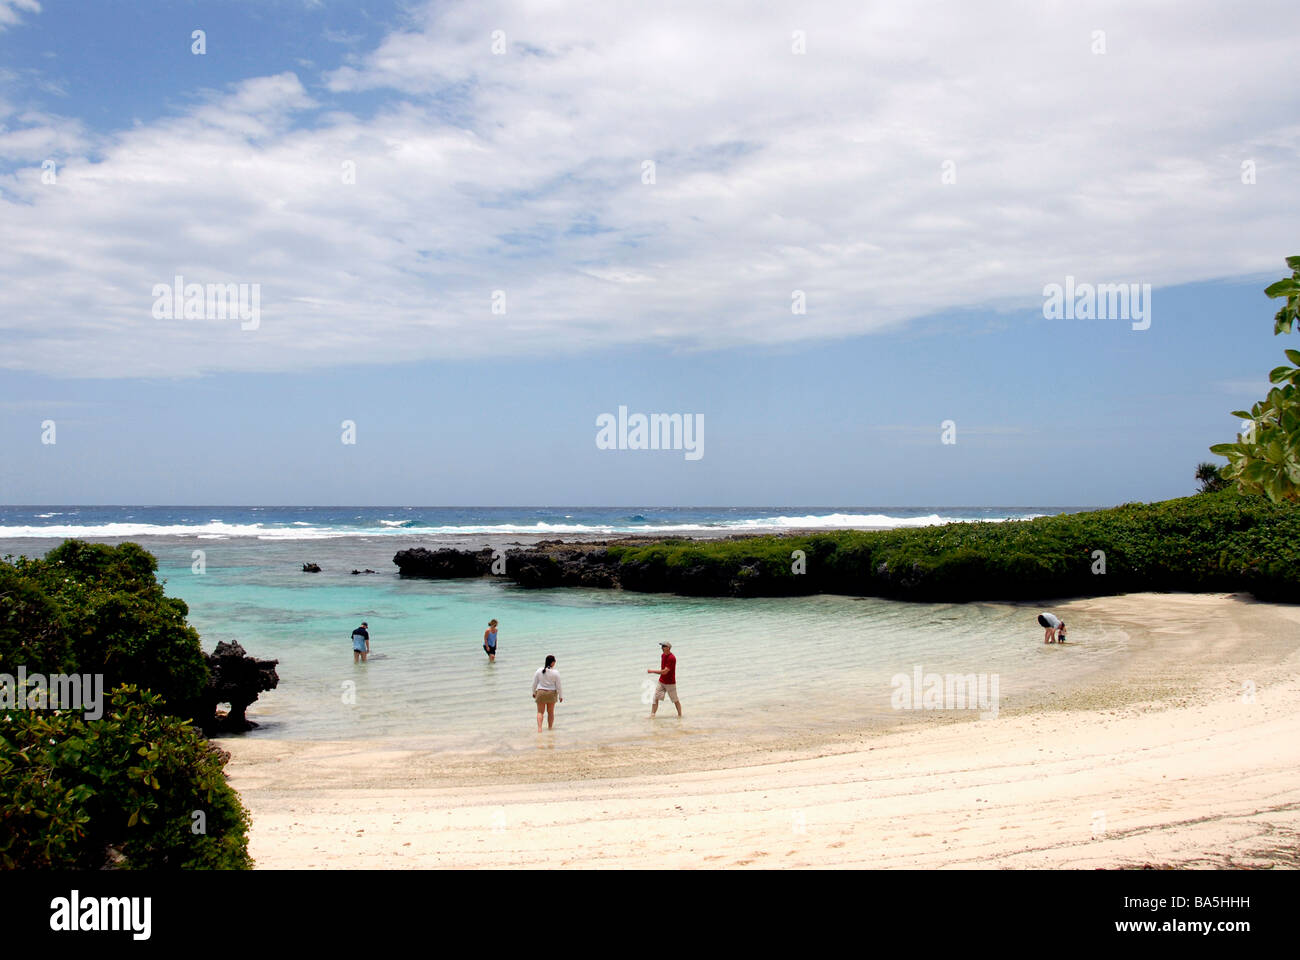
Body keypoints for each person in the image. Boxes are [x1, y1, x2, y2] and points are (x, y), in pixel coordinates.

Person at [648, 641, 681, 717]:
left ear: (668, 648)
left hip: (670, 683)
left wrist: (652, 671)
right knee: (655, 698)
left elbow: (665, 672)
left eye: (663, 646)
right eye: (662, 646)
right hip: (661, 681)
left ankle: (680, 715)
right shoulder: (662, 655)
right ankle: (652, 715)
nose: (662, 648)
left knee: (675, 700)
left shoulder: (672, 658)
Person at [532, 655, 562, 731]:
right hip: (551, 693)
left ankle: (539, 729)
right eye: (554, 661)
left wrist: (533, 692)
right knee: (550, 712)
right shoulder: (556, 672)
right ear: (552, 663)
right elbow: (558, 686)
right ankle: (550, 728)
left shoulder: (539, 670)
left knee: (540, 712)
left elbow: (534, 683)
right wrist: (560, 696)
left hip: (541, 692)